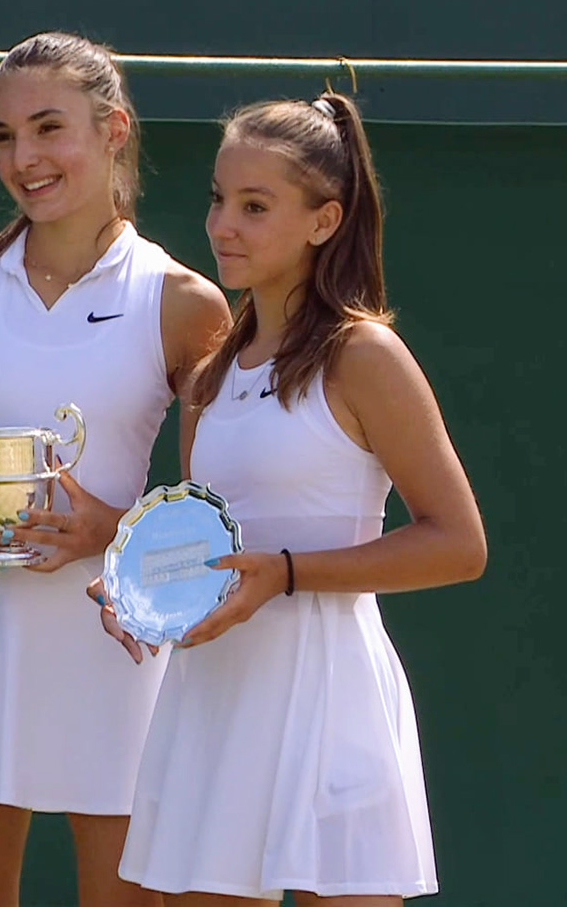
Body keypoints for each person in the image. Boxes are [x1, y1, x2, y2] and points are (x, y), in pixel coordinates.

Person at [93, 93, 487, 906]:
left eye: (255, 206)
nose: (222, 225)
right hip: (217, 699)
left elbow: (458, 542)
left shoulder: (365, 357)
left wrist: (287, 572)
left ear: (323, 219)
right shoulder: (208, 380)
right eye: (217, 199)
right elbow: (211, 551)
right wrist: (141, 594)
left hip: (332, 700)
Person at [0, 31, 231, 907]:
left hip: (111, 636)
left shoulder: (182, 301)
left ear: (113, 131)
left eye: (47, 129)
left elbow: (219, 502)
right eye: (3, 136)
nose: (24, 159)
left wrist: (112, 531)